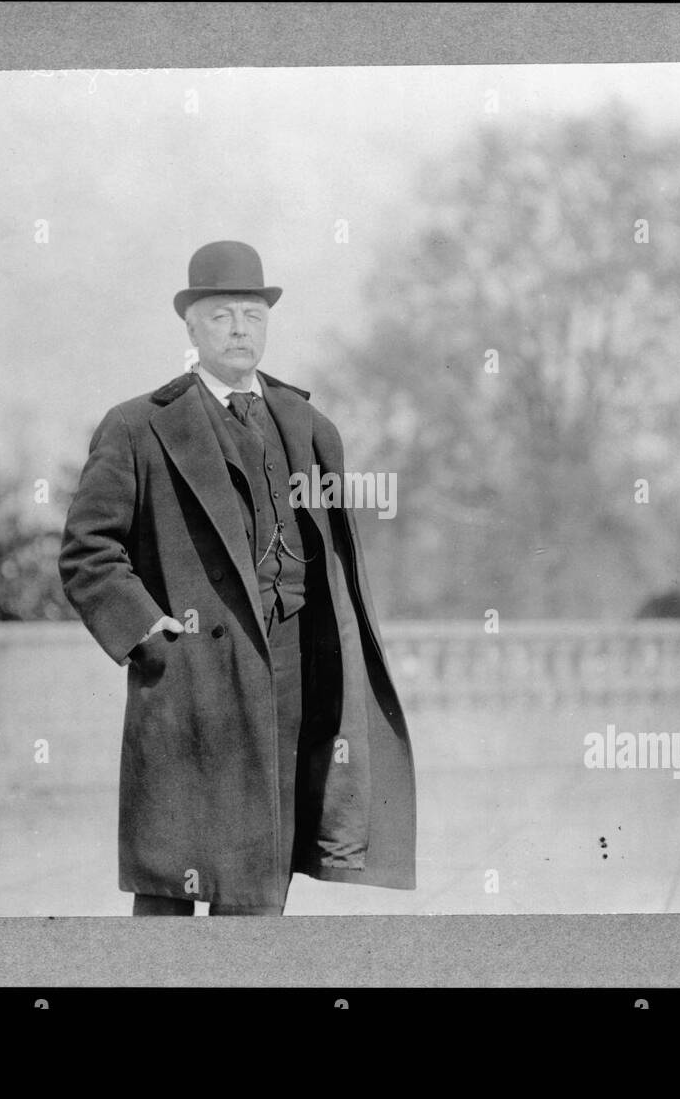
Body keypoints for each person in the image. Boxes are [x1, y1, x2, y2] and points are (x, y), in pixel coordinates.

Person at [59, 240, 416, 915]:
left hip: (292, 674)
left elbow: (334, 556)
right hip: (191, 678)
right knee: (173, 886)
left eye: (252, 313)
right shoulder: (139, 426)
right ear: (190, 327)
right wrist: (146, 630)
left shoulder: (308, 426)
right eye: (221, 315)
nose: (239, 329)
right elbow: (87, 550)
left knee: (260, 883)